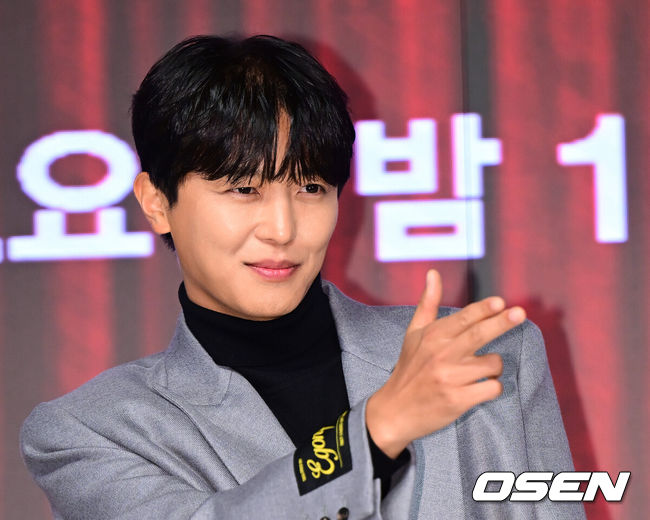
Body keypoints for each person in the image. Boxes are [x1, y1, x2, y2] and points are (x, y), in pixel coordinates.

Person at [20, 35, 584, 519]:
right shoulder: (89, 431)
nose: (283, 229)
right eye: (244, 189)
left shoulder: (487, 357)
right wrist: (375, 431)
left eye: (311, 188)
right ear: (156, 201)